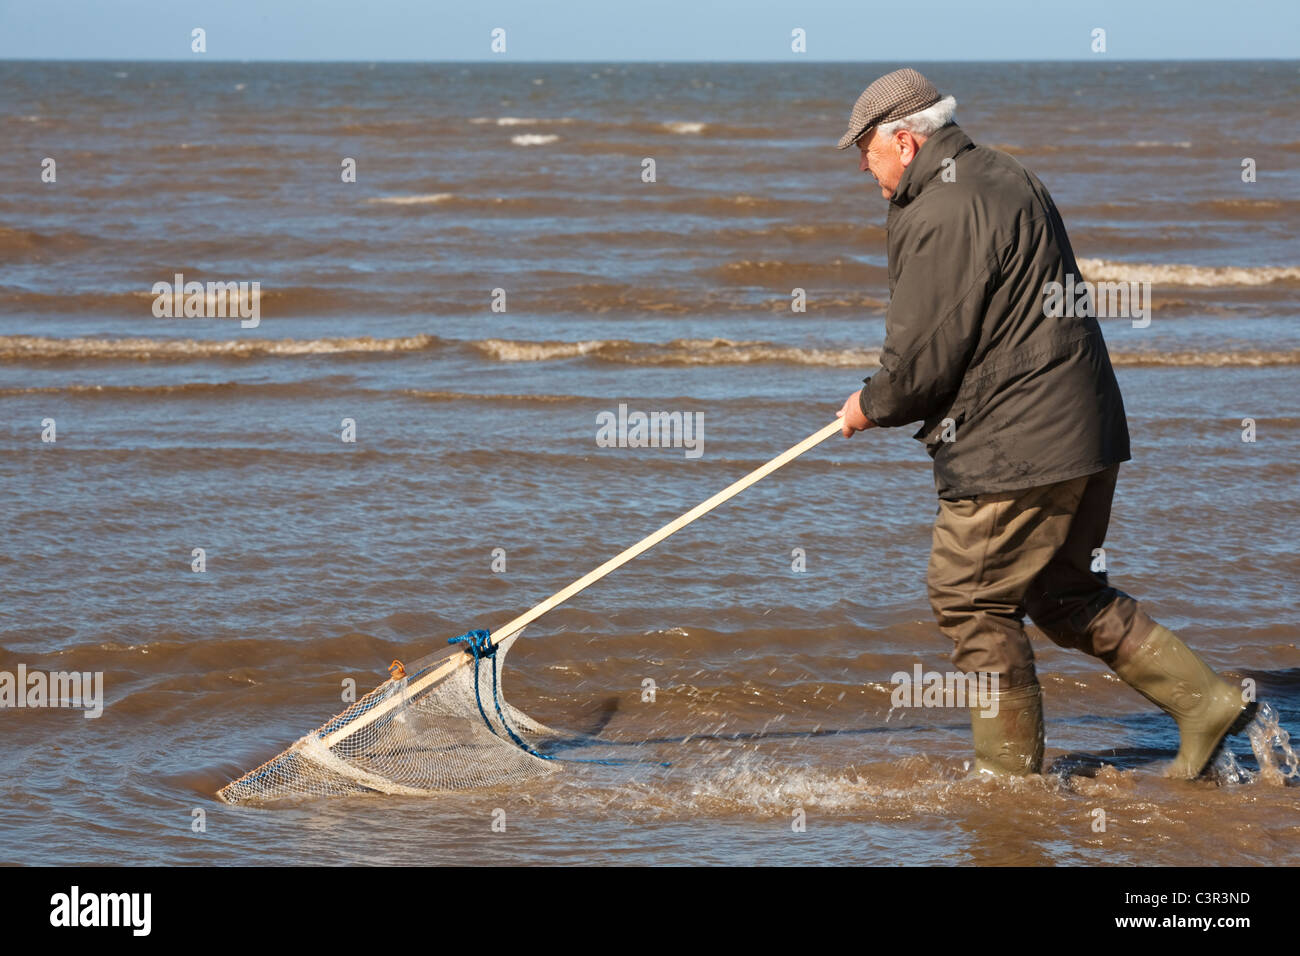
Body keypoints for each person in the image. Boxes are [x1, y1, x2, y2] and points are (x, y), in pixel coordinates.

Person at [832, 68, 1255, 780]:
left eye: (865, 152)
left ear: (903, 142)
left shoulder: (940, 209)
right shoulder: (1003, 173)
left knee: (970, 599)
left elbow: (924, 357)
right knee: (1063, 593)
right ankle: (1206, 702)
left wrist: (872, 403)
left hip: (1018, 440)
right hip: (1084, 426)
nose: (863, 169)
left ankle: (1007, 784)